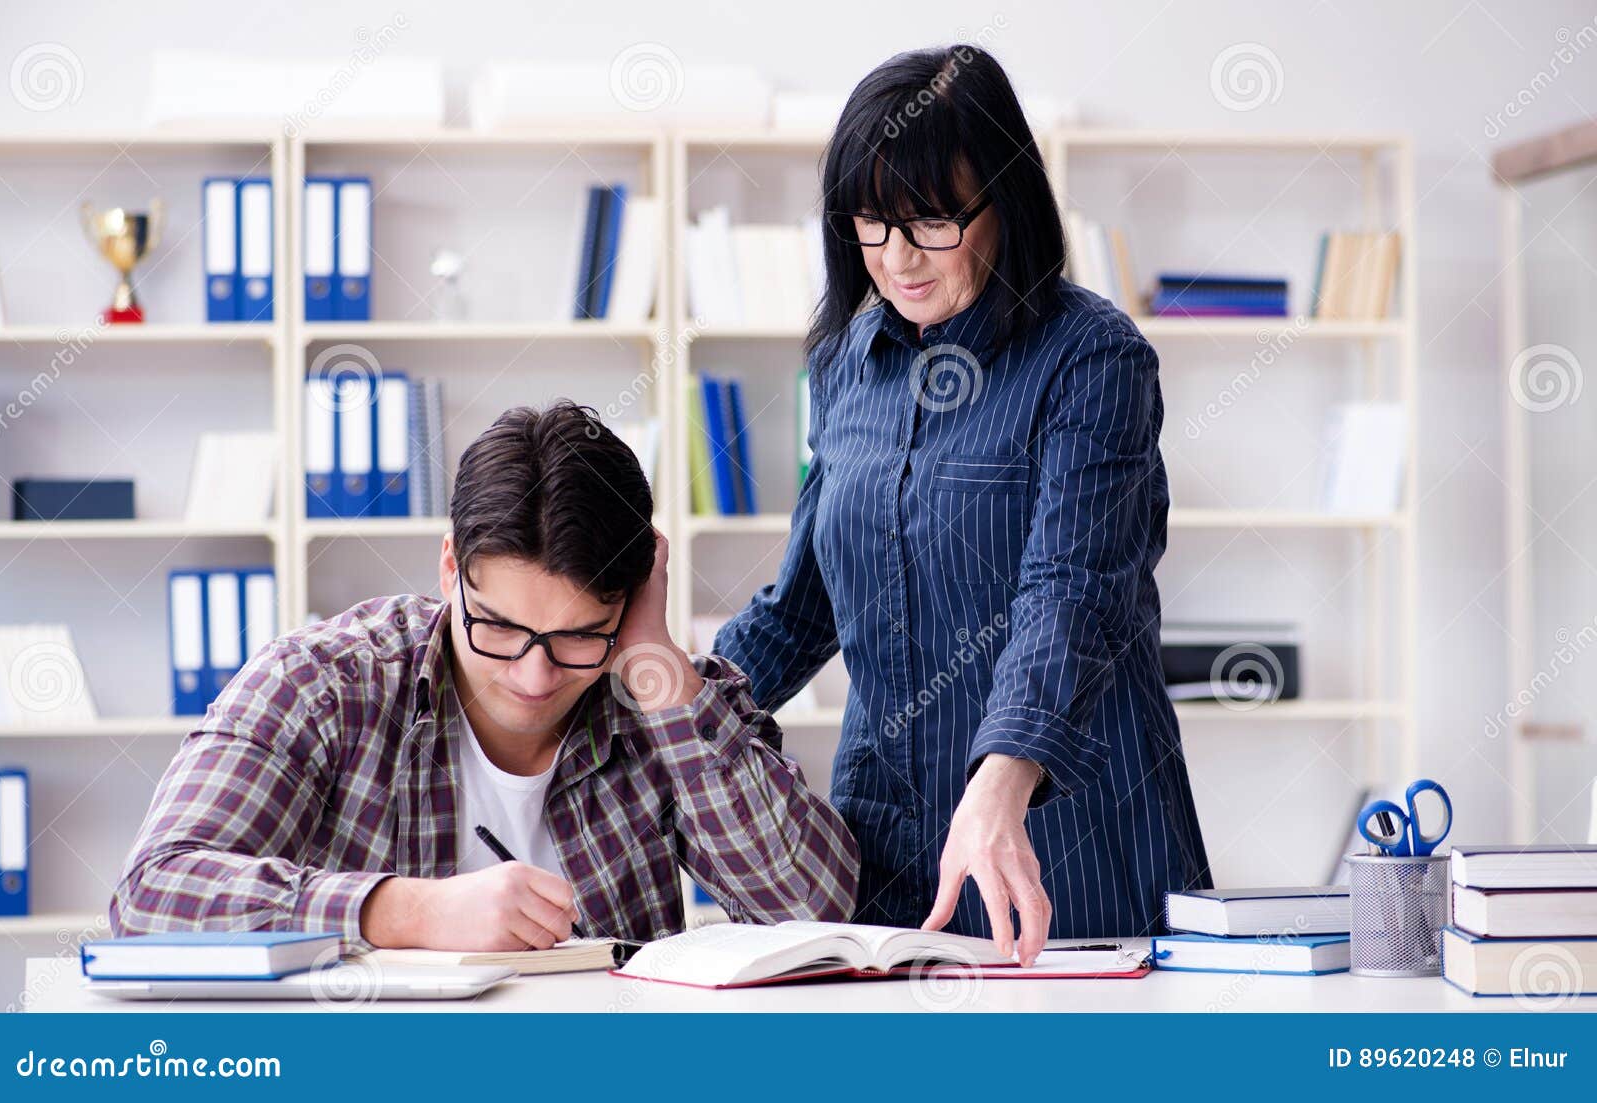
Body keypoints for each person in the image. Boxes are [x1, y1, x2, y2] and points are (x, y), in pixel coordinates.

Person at [714, 45, 1212, 966]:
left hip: (1066, 852)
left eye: (932, 221)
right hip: (888, 853)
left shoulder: (1091, 359)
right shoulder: (844, 363)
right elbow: (802, 608)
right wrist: (654, 706)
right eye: (870, 222)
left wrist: (1000, 784)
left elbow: (1073, 592)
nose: (897, 258)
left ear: (1006, 199)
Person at [111, 401, 859, 950]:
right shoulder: (325, 683)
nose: (534, 675)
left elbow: (816, 913)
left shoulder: (661, 698)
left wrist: (654, 661)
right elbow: (153, 894)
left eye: (577, 636)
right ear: (449, 568)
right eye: (498, 627)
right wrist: (408, 912)